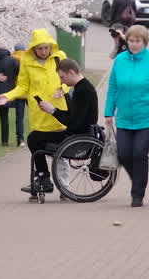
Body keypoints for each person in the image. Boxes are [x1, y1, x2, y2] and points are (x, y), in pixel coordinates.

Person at [0, 29, 67, 195]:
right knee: (36, 145)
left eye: (46, 48)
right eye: (40, 49)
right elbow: (23, 86)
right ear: (33, 48)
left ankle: (64, 186)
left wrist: (63, 88)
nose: (44, 52)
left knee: (61, 152)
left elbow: (69, 78)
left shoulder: (59, 57)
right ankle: (43, 177)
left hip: (58, 111)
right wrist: (8, 95)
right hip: (39, 112)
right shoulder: (26, 61)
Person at [104, 25, 149, 207]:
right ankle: (138, 180)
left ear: (145, 42)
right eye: (131, 41)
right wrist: (109, 111)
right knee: (125, 155)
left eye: (138, 41)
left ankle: (137, 194)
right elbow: (113, 87)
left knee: (139, 153)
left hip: (148, 116)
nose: (133, 44)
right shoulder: (120, 60)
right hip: (124, 117)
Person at [29, 59, 98, 192]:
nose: (61, 81)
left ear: (71, 72)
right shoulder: (81, 87)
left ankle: (44, 177)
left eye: (62, 77)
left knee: (34, 138)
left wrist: (53, 111)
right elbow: (75, 116)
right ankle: (44, 177)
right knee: (36, 137)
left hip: (78, 136)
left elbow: (74, 123)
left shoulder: (82, 90)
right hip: (80, 133)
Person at [11, 43, 28, 148]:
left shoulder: (11, 60)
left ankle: (20, 139)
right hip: (29, 91)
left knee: (19, 117)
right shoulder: (28, 59)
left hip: (18, 91)